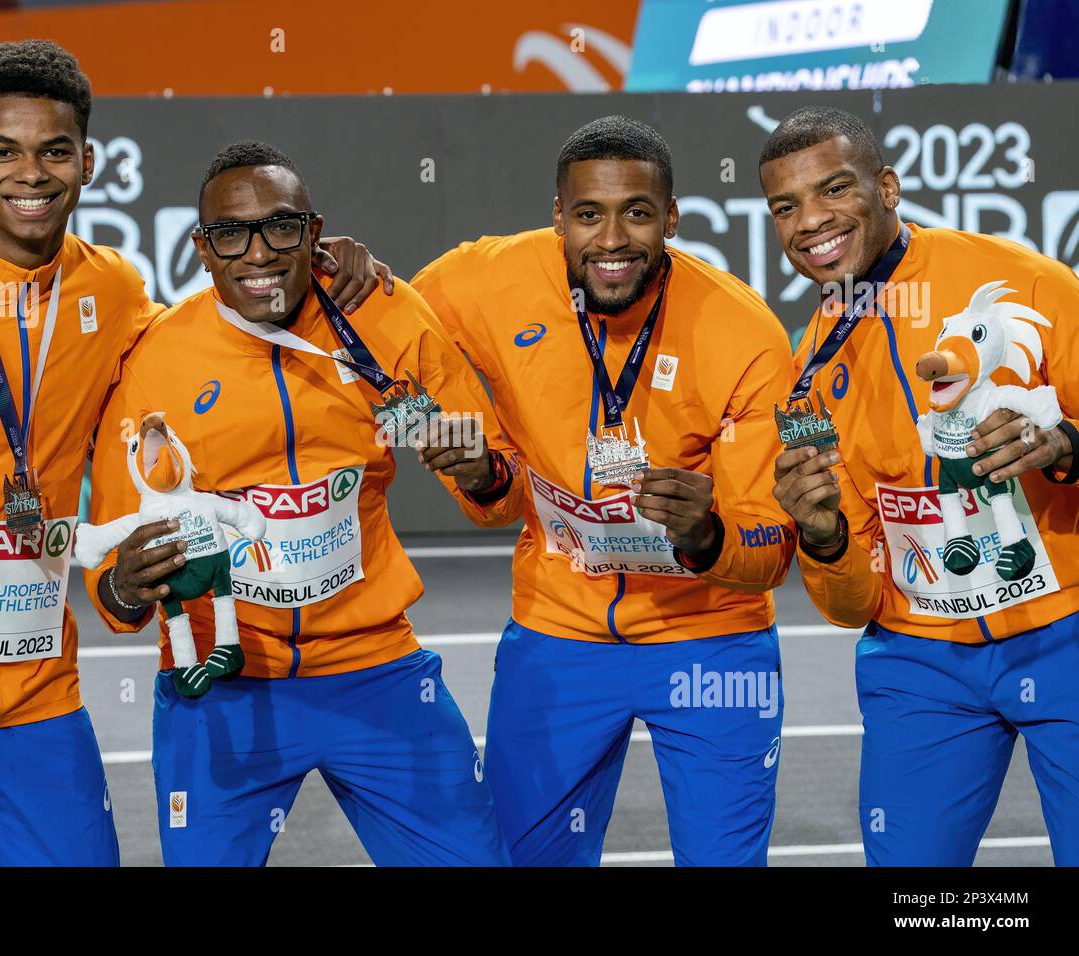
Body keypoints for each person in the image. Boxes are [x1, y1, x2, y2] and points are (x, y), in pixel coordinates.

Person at [0, 40, 389, 867]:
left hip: (38, 698)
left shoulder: (116, 291)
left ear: (87, 161)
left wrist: (324, 270)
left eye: (53, 151)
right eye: (3, 152)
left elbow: (219, 342)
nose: (30, 175)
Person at [83, 140, 525, 866]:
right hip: (221, 685)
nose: (259, 253)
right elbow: (112, 594)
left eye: (281, 226)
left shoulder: (380, 319)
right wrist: (126, 587)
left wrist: (480, 473)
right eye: (232, 233)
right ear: (201, 248)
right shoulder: (155, 361)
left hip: (374, 670)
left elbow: (496, 496)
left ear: (315, 233)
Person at [411, 115, 796, 866]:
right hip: (558, 637)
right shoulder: (486, 280)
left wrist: (710, 533)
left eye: (638, 214)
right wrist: (484, 465)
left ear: (673, 218)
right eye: (589, 214)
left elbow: (773, 549)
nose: (612, 239)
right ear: (557, 216)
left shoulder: (744, 333)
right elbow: (387, 326)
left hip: (710, 642)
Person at [761, 106, 1079, 866]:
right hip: (920, 666)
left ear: (889, 187)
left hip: (1067, 636)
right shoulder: (808, 374)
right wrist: (826, 537)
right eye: (786, 206)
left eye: (833, 190)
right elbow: (849, 607)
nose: (811, 221)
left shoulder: (1023, 283)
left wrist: (1063, 445)